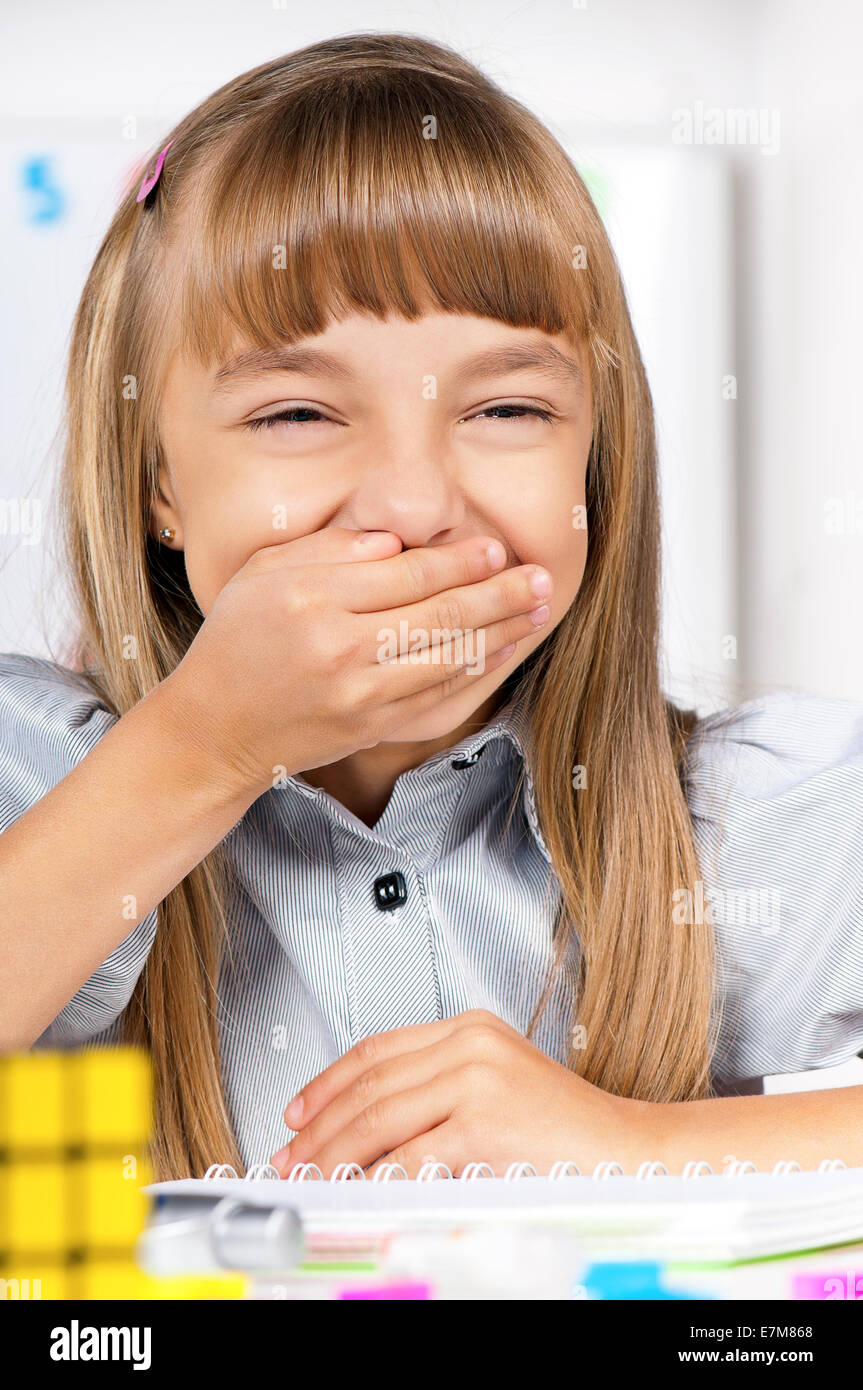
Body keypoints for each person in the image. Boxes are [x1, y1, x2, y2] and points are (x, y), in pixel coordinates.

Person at [2, 33, 862, 1181]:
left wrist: (641, 1144)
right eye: (296, 415)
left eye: (505, 409)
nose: (412, 506)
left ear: (593, 465)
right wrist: (204, 744)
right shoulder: (35, 785)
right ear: (159, 482)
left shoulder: (750, 819)